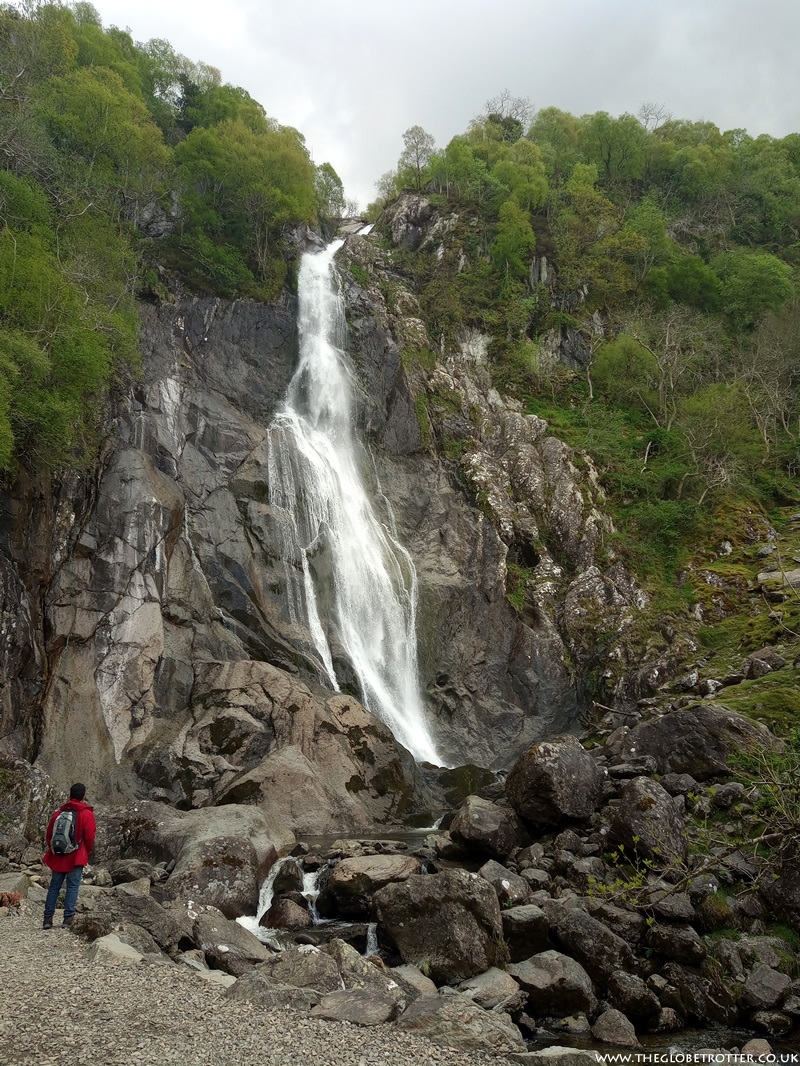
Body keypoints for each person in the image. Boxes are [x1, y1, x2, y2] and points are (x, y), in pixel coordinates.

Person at [42, 783, 96, 930]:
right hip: (76, 855)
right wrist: (86, 851)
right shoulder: (86, 814)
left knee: (54, 887)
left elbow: (49, 836)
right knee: (72, 887)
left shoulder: (58, 813)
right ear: (84, 796)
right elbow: (90, 837)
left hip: (58, 855)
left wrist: (56, 849)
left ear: (69, 795)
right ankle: (68, 919)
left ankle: (47, 919)